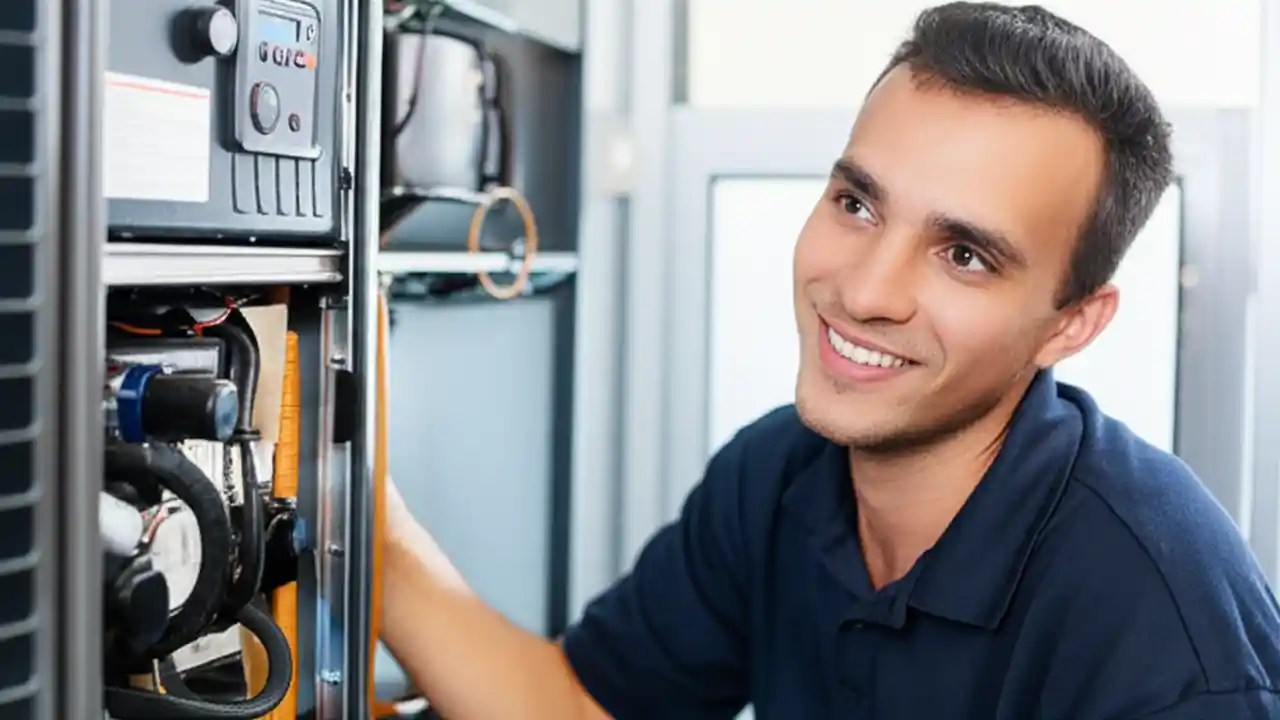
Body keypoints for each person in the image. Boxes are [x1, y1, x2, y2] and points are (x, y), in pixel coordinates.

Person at [380, 3, 1280, 718]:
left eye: (964, 255)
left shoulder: (1167, 639)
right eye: (858, 205)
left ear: (1071, 326)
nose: (864, 290)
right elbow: (582, 708)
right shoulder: (781, 472)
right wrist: (368, 519)